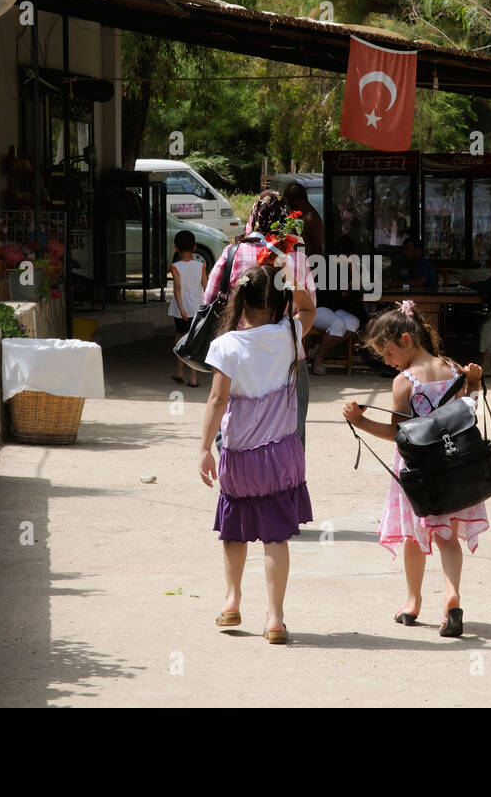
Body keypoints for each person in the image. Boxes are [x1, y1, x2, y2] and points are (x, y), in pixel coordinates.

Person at [342, 302, 485, 637]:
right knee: (447, 536)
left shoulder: (404, 382)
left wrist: (360, 421)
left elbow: (398, 433)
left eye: (388, 353)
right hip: (452, 465)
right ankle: (452, 594)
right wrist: (474, 382)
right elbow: (468, 410)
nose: (388, 361)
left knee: (412, 537)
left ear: (406, 339)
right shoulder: (452, 368)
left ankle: (412, 602)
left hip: (417, 471)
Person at [200, 264, 312, 644]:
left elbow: (217, 400)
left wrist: (203, 449)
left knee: (234, 532)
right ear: (279, 299)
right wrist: (290, 271)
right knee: (275, 538)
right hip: (282, 455)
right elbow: (308, 309)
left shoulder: (226, 345)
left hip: (239, 455)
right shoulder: (289, 333)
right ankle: (276, 619)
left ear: (240, 300)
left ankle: (231, 601)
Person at [203, 190, 317, 443]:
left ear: (254, 215)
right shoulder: (296, 259)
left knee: (232, 423)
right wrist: (284, 338)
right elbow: (309, 308)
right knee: (290, 433)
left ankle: (236, 474)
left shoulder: (231, 254)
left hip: (238, 357)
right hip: (288, 359)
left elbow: (209, 300)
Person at [310, 235, 367, 375]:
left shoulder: (346, 269)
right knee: (338, 325)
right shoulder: (325, 266)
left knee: (353, 323)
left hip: (333, 309)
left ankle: (318, 348)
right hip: (317, 308)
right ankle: (318, 358)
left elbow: (356, 287)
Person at [169, 230, 208, 388]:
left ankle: (179, 372)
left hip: (181, 310)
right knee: (194, 340)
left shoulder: (175, 267)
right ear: (194, 247)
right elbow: (206, 287)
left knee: (180, 338)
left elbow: (177, 289)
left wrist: (181, 308)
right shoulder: (201, 266)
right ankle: (193, 377)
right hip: (197, 308)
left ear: (176, 248)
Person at [282, 182, 324, 261]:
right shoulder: (300, 216)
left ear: (297, 200)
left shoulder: (310, 218)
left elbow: (317, 248)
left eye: (289, 202)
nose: (289, 206)